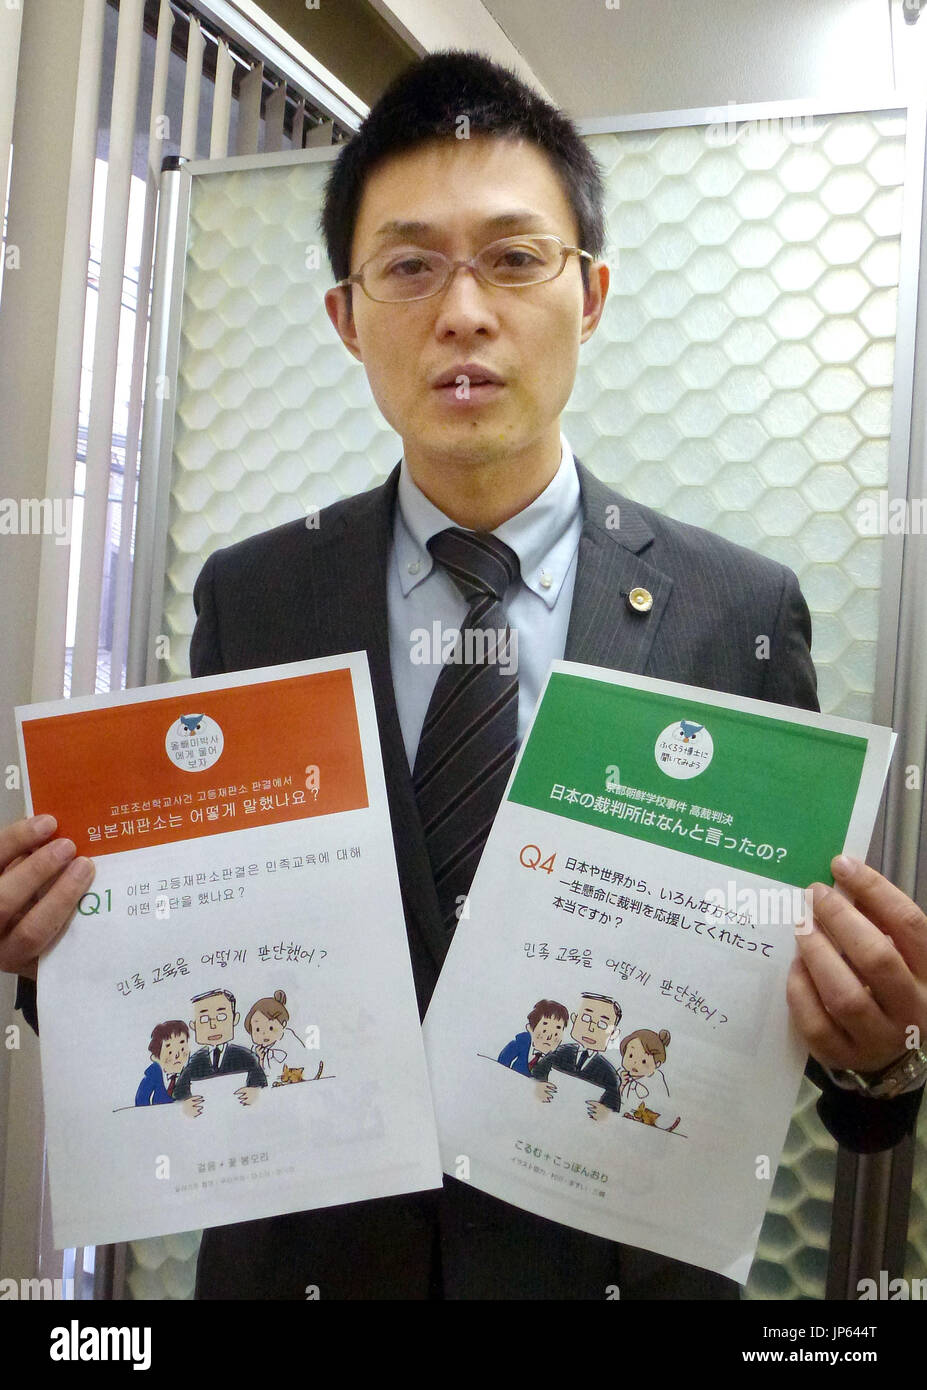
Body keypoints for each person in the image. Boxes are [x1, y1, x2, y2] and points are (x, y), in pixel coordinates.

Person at [3, 48, 925, 1299]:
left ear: (589, 294)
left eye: (513, 256)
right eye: (410, 264)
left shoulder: (737, 612)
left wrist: (882, 1050)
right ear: (347, 316)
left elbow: (792, 1043)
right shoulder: (256, 595)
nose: (465, 312)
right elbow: (217, 945)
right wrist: (66, 961)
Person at [172, 988, 267, 1116]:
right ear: (194, 1026)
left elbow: (263, 1087)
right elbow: (178, 1095)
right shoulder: (194, 1061)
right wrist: (185, 1106)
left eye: (221, 1017)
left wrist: (256, 1094)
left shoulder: (246, 1057)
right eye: (204, 1019)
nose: (213, 1025)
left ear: (234, 1019)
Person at [533, 993, 624, 1120]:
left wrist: (605, 1112)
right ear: (575, 1019)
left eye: (602, 1025)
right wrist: (537, 1087)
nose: (591, 1028)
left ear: (613, 1033)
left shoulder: (609, 1074)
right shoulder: (560, 1052)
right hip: (542, 1114)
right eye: (586, 1018)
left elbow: (614, 1107)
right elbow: (536, 1073)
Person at [497, 997, 569, 1076]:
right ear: (530, 1028)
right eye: (545, 1027)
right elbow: (498, 1071)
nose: (550, 1037)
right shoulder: (517, 1045)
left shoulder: (557, 1062)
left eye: (558, 1028)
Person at [134, 1020, 190, 1106]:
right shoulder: (154, 1072)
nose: (177, 1055)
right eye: (170, 1050)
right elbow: (141, 1100)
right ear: (156, 1057)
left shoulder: (191, 1070)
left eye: (182, 1044)